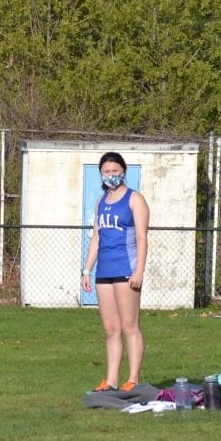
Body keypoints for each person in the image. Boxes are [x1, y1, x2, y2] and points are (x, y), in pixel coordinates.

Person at [81, 152, 149, 392]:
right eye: (106, 172)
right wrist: (87, 270)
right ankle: (110, 380)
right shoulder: (101, 201)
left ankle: (133, 378)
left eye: (115, 170)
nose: (111, 175)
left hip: (125, 269)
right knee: (111, 329)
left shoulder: (135, 200)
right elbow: (96, 238)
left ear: (123, 171)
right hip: (104, 272)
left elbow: (142, 238)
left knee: (129, 326)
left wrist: (139, 270)